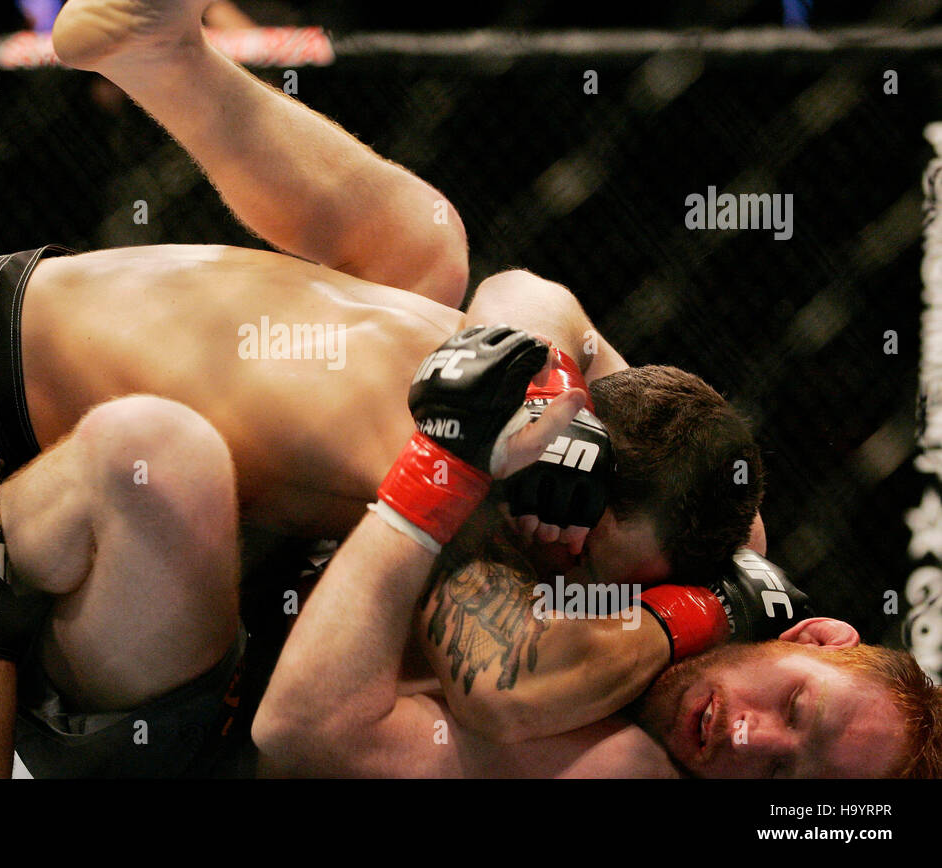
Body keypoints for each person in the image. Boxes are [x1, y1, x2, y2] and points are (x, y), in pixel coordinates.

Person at [0, 0, 755, 777]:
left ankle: (158, 53)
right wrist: (695, 606)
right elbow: (502, 685)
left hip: (33, 355)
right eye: (592, 559)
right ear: (579, 477)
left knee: (425, 247)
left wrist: (724, 578)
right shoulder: (459, 476)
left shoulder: (537, 361)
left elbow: (539, 291)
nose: (572, 581)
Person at [252, 327, 942, 778]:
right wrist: (559, 409)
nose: (746, 738)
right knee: (424, 244)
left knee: (160, 456)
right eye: (794, 708)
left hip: (232, 677)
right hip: (284, 529)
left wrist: (449, 465)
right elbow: (534, 299)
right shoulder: (723, 540)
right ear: (814, 637)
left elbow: (298, 727)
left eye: (782, 777)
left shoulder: (620, 764)